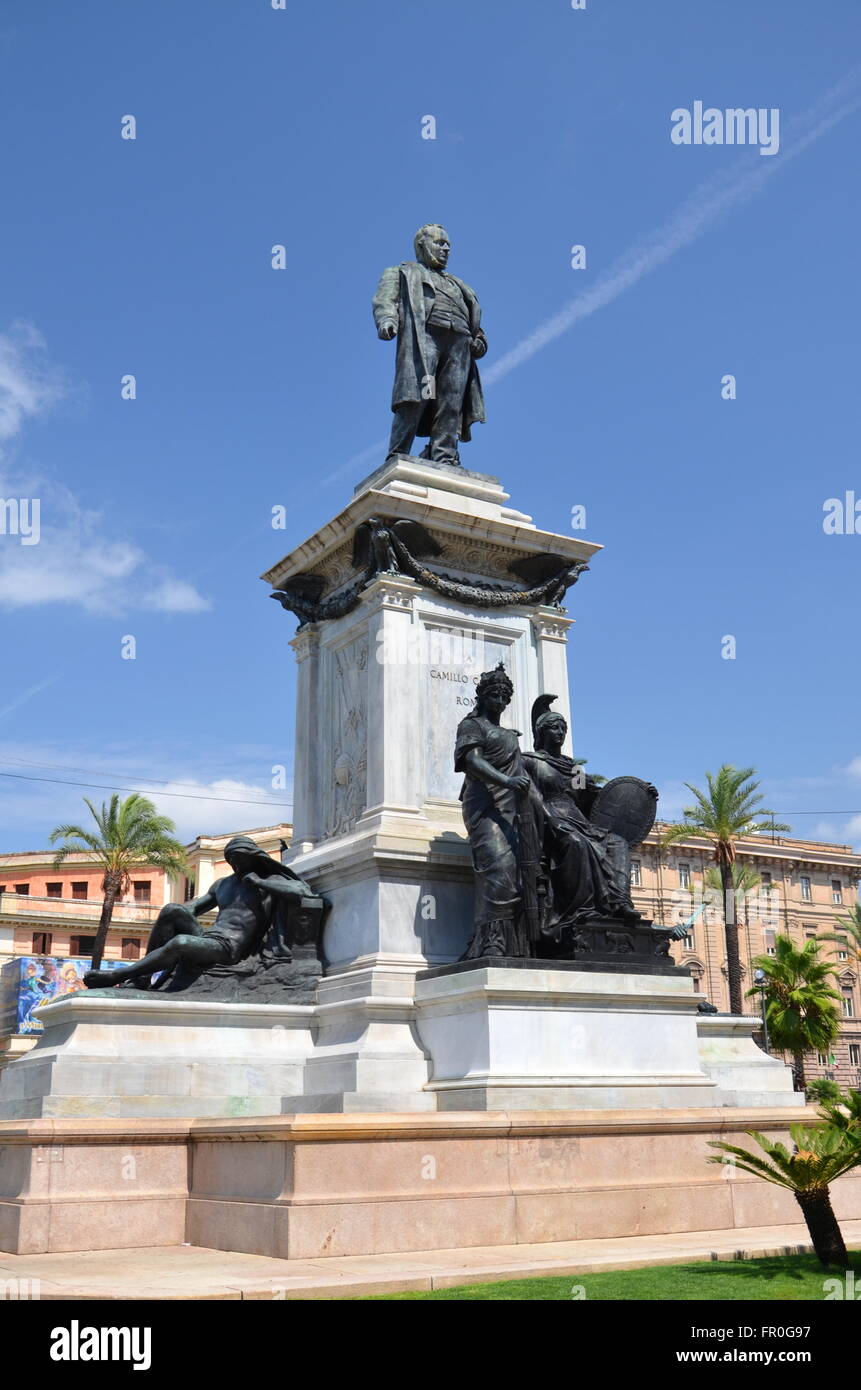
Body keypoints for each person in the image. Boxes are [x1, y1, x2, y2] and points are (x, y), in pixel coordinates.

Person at [84, 836, 313, 990]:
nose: (236, 863)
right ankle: (142, 977)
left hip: (230, 948)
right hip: (210, 939)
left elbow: (301, 890)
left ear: (254, 857)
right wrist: (173, 918)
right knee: (171, 909)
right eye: (232, 859)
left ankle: (119, 975)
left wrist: (260, 883)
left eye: (241, 858)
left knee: (182, 942)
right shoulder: (223, 884)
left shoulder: (269, 880)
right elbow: (191, 910)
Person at [523, 707, 647, 940]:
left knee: (617, 843)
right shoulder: (530, 762)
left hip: (577, 819)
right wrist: (549, 820)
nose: (559, 732)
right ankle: (581, 911)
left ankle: (619, 902)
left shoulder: (575, 769)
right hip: (549, 818)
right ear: (541, 732)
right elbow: (529, 796)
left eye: (563, 728)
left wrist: (641, 796)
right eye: (553, 727)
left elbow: (591, 797)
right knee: (577, 844)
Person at [373, 224, 487, 466]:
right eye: (439, 243)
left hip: (460, 342)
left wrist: (479, 341)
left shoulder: (459, 285)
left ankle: (443, 455)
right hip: (425, 337)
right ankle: (397, 453)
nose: (446, 248)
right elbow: (385, 300)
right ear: (422, 244)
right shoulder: (402, 272)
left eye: (448, 245)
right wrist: (387, 320)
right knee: (417, 395)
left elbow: (475, 321)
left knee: (451, 401)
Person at [454, 663, 541, 958]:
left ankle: (512, 942)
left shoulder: (507, 734)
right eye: (495, 695)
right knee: (498, 869)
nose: (501, 702)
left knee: (516, 873)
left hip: (512, 808)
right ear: (482, 696)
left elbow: (528, 776)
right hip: (485, 806)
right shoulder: (472, 726)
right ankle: (490, 940)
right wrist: (507, 780)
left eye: (506, 696)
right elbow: (472, 762)